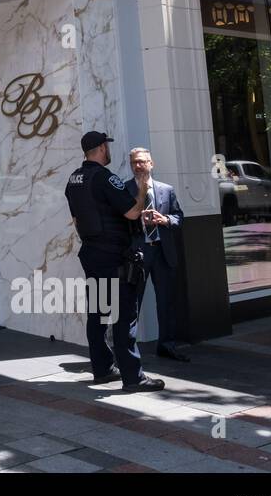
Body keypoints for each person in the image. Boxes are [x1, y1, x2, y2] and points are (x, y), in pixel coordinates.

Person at [64, 131, 164, 392]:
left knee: (98, 315)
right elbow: (132, 212)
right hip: (114, 258)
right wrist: (142, 188)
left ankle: (103, 369)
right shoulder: (105, 177)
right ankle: (133, 378)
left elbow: (76, 222)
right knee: (124, 317)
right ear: (99, 149)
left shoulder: (74, 180)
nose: (108, 151)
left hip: (92, 255)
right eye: (106, 147)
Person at [128, 148, 189, 362]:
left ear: (151, 163)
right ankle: (128, 351)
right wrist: (138, 220)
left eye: (142, 162)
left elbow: (179, 217)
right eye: (134, 162)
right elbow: (119, 222)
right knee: (132, 303)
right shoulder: (125, 189)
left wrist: (165, 220)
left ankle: (167, 345)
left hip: (163, 251)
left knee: (166, 301)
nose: (138, 166)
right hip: (139, 253)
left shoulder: (166, 190)